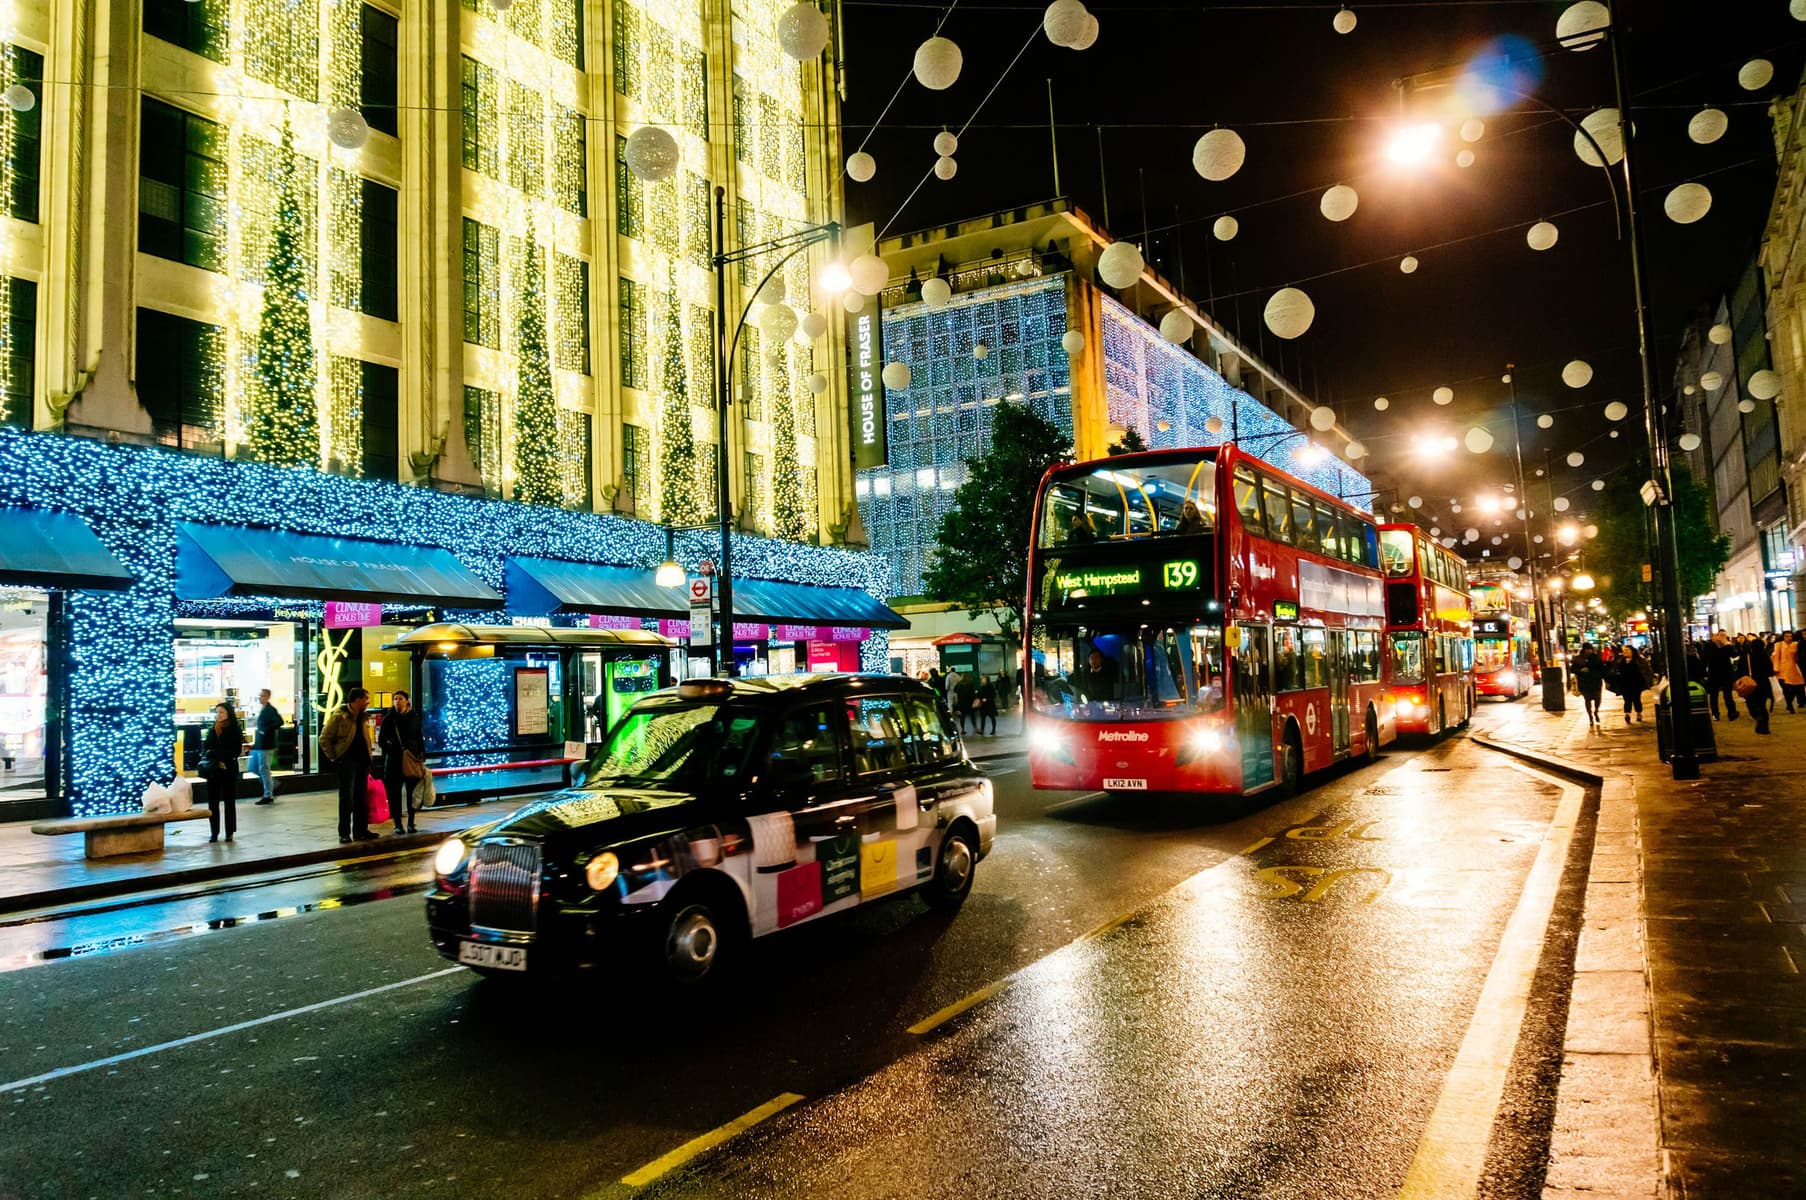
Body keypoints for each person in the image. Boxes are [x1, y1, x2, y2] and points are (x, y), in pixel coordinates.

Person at [320, 687, 377, 842]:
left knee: (361, 798)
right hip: (347, 762)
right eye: (366, 698)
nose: (368, 702)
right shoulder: (339, 716)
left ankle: (361, 831)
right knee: (347, 798)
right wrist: (334, 757)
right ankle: (344, 833)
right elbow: (324, 738)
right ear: (357, 700)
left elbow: (366, 738)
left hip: (363, 762)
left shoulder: (363, 717)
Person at [378, 689, 425, 835]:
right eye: (395, 699)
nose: (397, 701)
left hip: (411, 759)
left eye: (400, 699)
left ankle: (411, 822)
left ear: (407, 701)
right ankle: (397, 824)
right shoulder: (389, 718)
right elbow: (381, 741)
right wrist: (391, 748)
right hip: (394, 760)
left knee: (412, 793)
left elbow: (419, 736)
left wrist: (420, 754)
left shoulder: (414, 717)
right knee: (394, 794)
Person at [200, 702, 245, 843]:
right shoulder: (213, 729)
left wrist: (215, 752)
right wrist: (211, 752)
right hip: (213, 770)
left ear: (228, 714)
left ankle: (229, 832)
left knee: (229, 801)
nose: (218, 715)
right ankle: (214, 832)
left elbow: (235, 751)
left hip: (228, 768)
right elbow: (205, 747)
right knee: (213, 802)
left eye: (222, 713)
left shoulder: (234, 729)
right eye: (217, 712)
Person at [248, 689, 282, 805]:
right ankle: (273, 784)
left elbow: (279, 722)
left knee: (264, 769)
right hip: (259, 744)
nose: (260, 698)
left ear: (267, 697)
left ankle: (268, 794)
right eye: (259, 696)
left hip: (266, 745)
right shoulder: (262, 709)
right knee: (253, 767)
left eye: (262, 696)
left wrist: (265, 731)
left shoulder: (270, 710)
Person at [1608, 645, 1650, 724]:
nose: (1625, 652)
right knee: (1627, 699)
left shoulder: (1639, 660)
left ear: (1632, 651)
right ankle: (1627, 714)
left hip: (1636, 683)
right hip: (1624, 684)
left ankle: (1638, 713)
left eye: (1627, 650)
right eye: (1624, 651)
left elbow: (1646, 670)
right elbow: (1613, 670)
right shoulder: (1620, 660)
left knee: (1636, 699)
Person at [1744, 634, 1775, 734]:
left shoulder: (1747, 657)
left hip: (1749, 685)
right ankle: (1764, 727)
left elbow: (1740, 671)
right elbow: (1771, 671)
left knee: (1751, 705)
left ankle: (1758, 719)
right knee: (1762, 705)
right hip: (1763, 684)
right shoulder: (1765, 656)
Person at [1706, 631, 1738, 721]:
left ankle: (1715, 714)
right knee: (1727, 694)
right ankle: (1731, 712)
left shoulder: (1709, 646)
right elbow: (1734, 654)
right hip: (1725, 673)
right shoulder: (1727, 646)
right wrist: (1728, 644)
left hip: (1714, 673)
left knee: (1714, 695)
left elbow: (1704, 658)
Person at [1573, 645, 1605, 727]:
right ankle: (1590, 716)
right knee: (1587, 700)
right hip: (1584, 683)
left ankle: (1596, 711)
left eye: (1590, 649)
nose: (1589, 651)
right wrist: (1580, 671)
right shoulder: (1578, 658)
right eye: (1587, 649)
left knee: (1597, 699)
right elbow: (1573, 669)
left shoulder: (1596, 658)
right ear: (1584, 650)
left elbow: (1602, 669)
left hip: (1596, 682)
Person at [1777, 631, 1806, 713]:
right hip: (1782, 669)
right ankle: (1789, 704)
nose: (1788, 638)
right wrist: (1776, 668)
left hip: (1794, 668)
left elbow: (1799, 655)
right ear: (1783, 636)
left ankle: (1791, 703)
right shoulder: (1778, 644)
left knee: (1796, 687)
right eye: (1786, 636)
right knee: (1786, 688)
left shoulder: (1796, 644)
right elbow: (1776, 657)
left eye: (1790, 636)